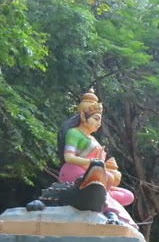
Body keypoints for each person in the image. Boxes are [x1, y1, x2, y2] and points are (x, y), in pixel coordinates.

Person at [57, 89, 137, 228]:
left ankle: (107, 202)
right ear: (83, 116)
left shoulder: (93, 139)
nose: (99, 123)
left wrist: (109, 171)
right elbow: (68, 157)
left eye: (100, 119)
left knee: (128, 195)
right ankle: (112, 213)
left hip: (94, 175)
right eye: (96, 118)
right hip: (74, 172)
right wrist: (93, 163)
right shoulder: (74, 133)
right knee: (97, 189)